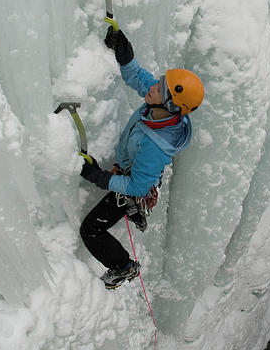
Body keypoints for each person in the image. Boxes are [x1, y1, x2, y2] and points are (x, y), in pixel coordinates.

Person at [80, 26, 204, 288]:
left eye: (160, 89)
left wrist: (100, 178)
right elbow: (137, 77)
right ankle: (136, 211)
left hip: (135, 184)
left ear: (170, 104)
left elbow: (136, 185)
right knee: (135, 185)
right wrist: (125, 54)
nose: (154, 87)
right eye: (160, 83)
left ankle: (122, 266)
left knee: (91, 231)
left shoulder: (156, 146)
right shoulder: (159, 104)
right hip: (137, 173)